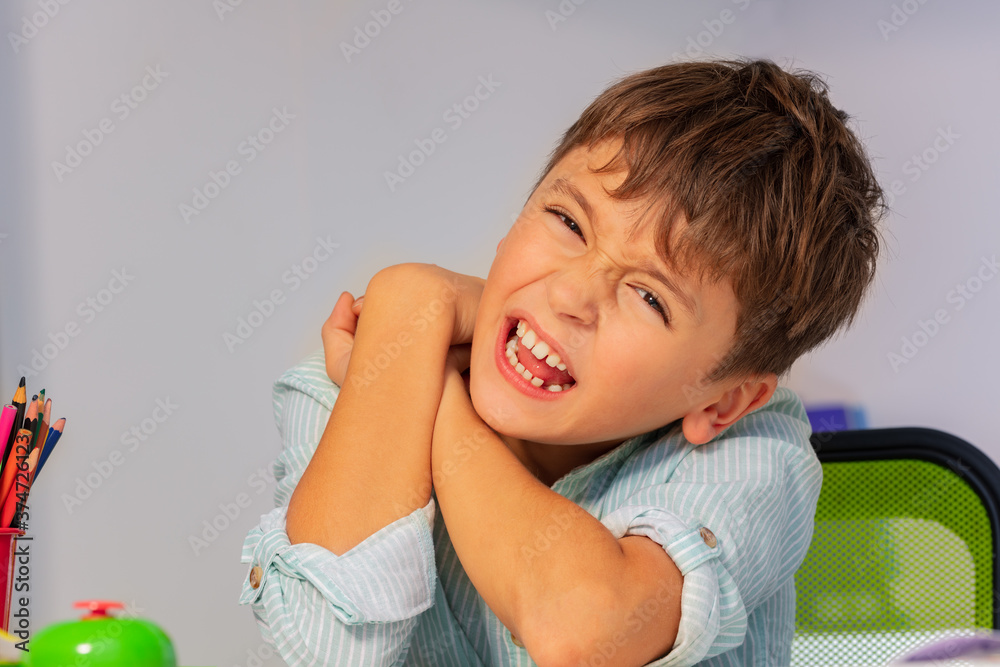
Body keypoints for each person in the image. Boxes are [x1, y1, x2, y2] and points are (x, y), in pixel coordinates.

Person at [239, 58, 884, 666]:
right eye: (569, 222)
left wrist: (421, 351)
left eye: (649, 296)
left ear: (722, 401)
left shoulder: (754, 454)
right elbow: (325, 645)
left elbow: (586, 629)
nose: (572, 295)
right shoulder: (351, 386)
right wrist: (408, 336)